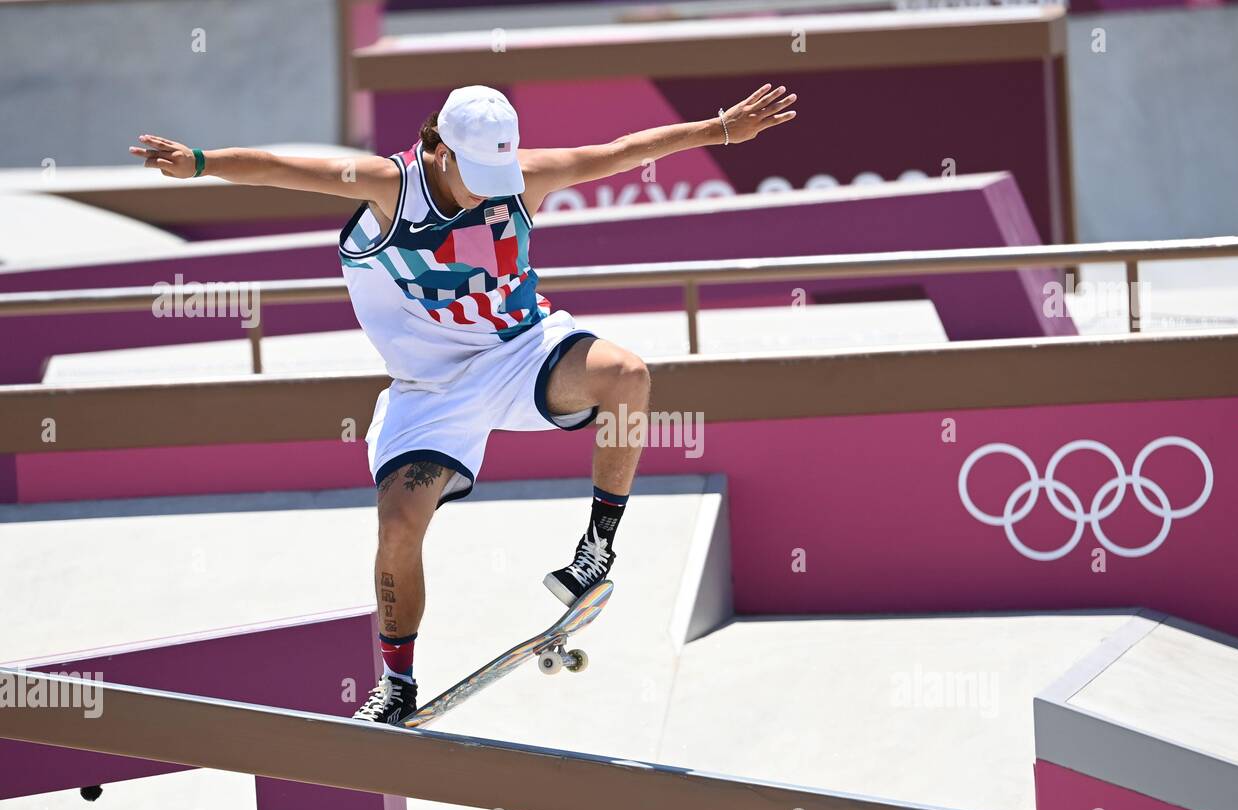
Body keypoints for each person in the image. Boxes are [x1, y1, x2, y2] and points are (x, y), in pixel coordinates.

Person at [131, 82, 797, 723]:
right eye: (474, 170)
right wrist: (199, 164)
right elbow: (284, 168)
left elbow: (620, 152)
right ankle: (396, 683)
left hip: (523, 351)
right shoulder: (389, 187)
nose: (488, 186)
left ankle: (596, 550)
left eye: (496, 170)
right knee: (398, 526)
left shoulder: (523, 175)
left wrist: (720, 130)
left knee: (627, 374)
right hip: (430, 391)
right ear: (440, 150)